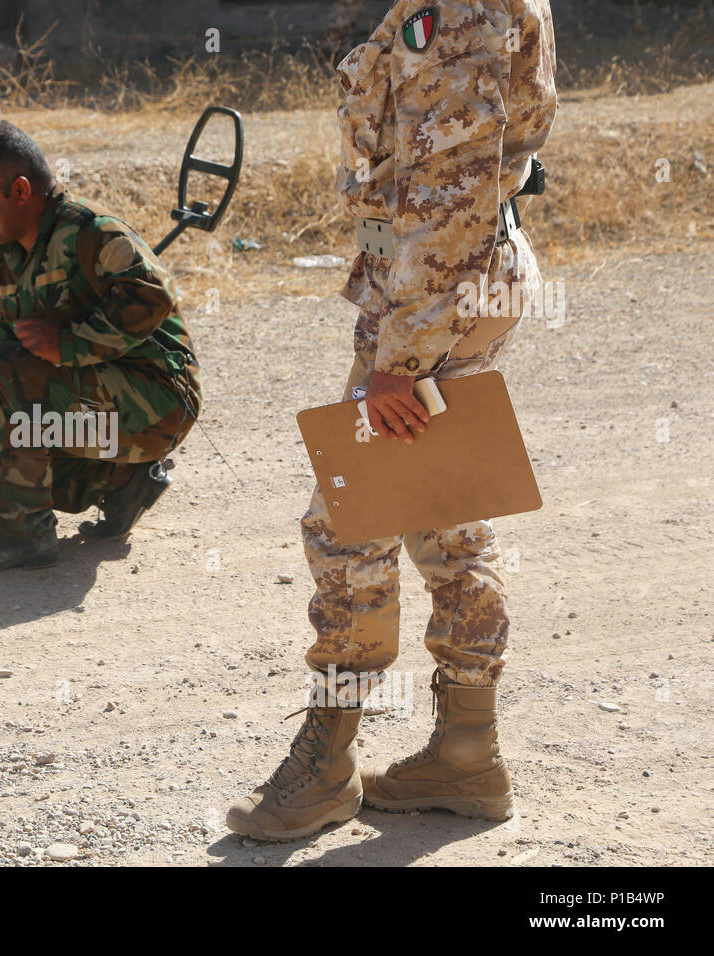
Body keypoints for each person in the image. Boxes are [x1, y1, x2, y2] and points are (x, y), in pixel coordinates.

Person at [227, 0, 557, 840]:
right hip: (436, 286)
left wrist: (396, 363)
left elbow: (453, 185)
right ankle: (465, 754)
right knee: (442, 512)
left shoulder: (459, 8)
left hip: (433, 294)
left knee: (347, 520)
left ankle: (329, 763)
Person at [0, 122, 201, 573]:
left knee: (5, 387)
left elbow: (153, 298)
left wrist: (70, 345)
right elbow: (14, 349)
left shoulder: (91, 232)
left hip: (158, 403)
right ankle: (121, 481)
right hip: (100, 414)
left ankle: (21, 535)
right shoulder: (9, 256)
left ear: (20, 191)